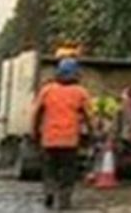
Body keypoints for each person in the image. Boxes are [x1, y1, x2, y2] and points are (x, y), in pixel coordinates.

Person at [32, 58, 93, 210]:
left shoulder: (47, 90)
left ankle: (49, 191)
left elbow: (36, 114)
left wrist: (34, 132)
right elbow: (90, 116)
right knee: (68, 171)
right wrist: (92, 133)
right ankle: (64, 200)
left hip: (49, 139)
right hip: (69, 141)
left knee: (49, 170)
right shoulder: (80, 93)